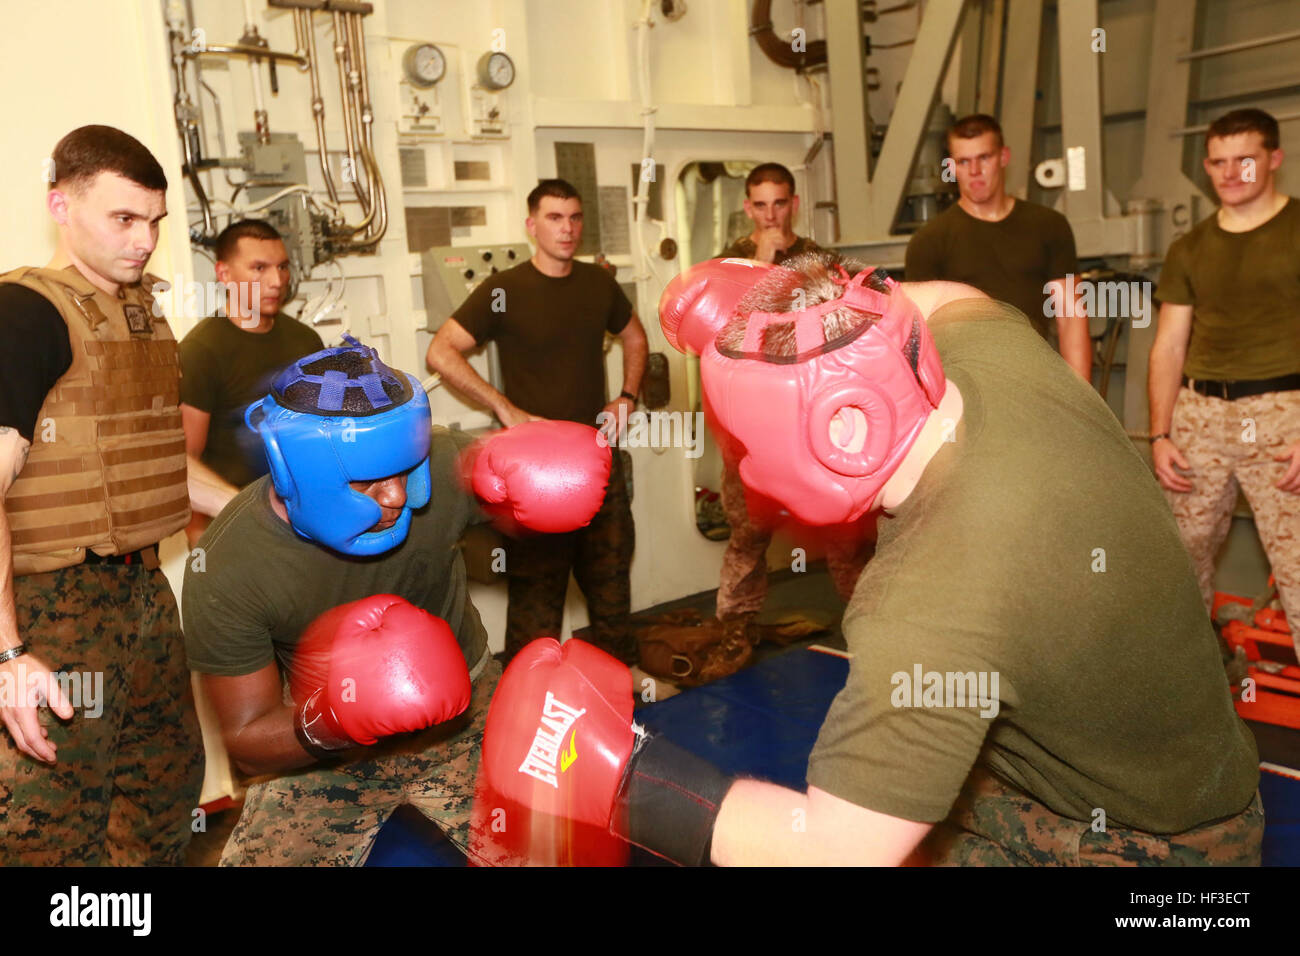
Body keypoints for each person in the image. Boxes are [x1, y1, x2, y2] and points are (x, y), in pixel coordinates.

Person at [478, 250, 1262, 867]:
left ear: (841, 430)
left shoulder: (930, 594)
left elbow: (833, 853)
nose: (743, 473)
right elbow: (942, 296)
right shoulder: (1002, 365)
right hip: (1145, 762)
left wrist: (619, 781)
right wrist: (783, 297)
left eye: (745, 446)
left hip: (1160, 851)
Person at [182, 338, 609, 865]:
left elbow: (518, 508)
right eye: (367, 482)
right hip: (322, 750)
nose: (397, 497)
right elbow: (246, 737)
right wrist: (341, 716)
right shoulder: (229, 568)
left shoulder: (444, 462)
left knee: (565, 851)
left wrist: (539, 480)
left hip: (467, 716)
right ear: (295, 473)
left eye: (405, 469)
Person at [0, 125, 204, 865]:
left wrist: (266, 503)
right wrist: (9, 653)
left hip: (144, 592)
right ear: (61, 205)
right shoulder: (25, 313)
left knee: (161, 798)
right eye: (124, 218)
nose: (145, 240)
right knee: (51, 828)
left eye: (155, 221)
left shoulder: (143, 313)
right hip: (54, 613)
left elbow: (159, 460)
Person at [426, 178, 648, 664]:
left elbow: (635, 337)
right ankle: (532, 703)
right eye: (554, 218)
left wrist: (627, 396)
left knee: (612, 594)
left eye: (573, 217)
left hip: (597, 461)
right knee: (536, 601)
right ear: (532, 226)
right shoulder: (504, 289)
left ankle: (620, 696)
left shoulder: (598, 284)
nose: (566, 229)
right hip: (538, 476)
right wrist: (502, 407)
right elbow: (441, 351)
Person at [1150, 108, 1300, 656]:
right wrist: (1161, 434)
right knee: (1178, 572)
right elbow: (1168, 346)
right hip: (1200, 415)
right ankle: (1187, 712)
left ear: (1274, 159)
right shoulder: (1190, 248)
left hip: (1284, 414)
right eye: (1217, 162)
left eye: (1245, 160)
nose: (1230, 173)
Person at [710, 164, 869, 651]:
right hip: (750, 424)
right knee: (747, 537)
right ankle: (732, 635)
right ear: (747, 208)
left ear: (794, 204)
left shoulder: (822, 262)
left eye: (779, 203)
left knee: (848, 538)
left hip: (813, 417)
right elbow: (719, 337)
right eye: (761, 205)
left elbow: (854, 320)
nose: (771, 214)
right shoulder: (727, 266)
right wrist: (763, 267)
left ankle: (871, 633)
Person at [905, 113, 1091, 381]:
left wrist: (1081, 403)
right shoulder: (929, 241)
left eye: (984, 157)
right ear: (952, 166)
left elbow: (1070, 317)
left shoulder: (1048, 226)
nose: (974, 171)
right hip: (966, 385)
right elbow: (922, 335)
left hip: (1035, 378)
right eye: (963, 161)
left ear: (1003, 157)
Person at [178, 219, 324, 546]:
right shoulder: (200, 351)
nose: (276, 281)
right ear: (224, 274)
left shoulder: (306, 341)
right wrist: (201, 546)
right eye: (259, 268)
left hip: (306, 522)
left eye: (283, 267)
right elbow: (185, 462)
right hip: (237, 531)